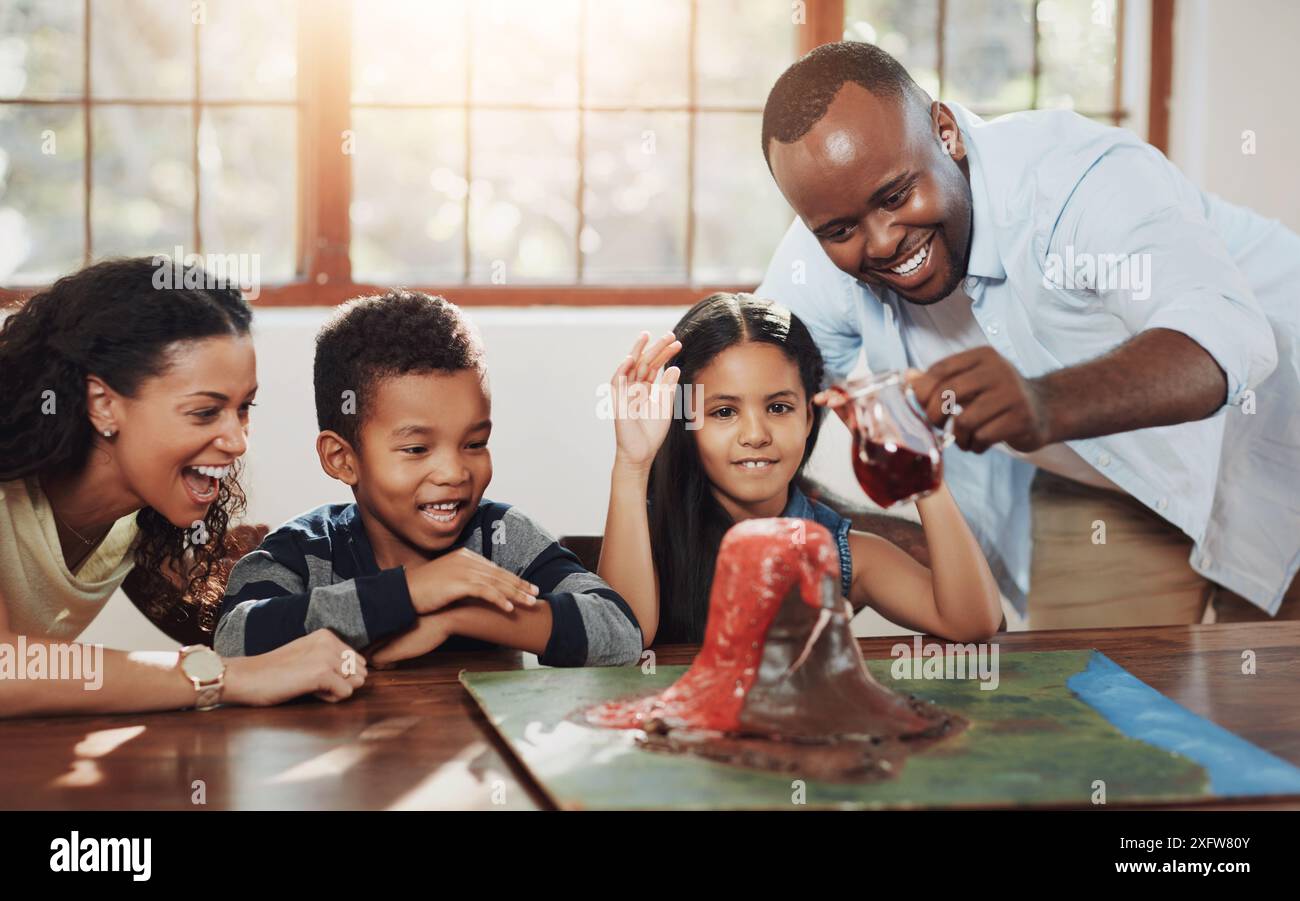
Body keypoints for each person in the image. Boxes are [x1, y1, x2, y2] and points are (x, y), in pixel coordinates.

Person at [756, 41, 1299, 627]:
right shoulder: (825, 247)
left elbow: (1225, 332)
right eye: (840, 229)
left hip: (1275, 441)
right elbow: (742, 391)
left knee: (1269, 700)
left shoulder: (1073, 180)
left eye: (896, 197)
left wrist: (1044, 402)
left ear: (946, 132)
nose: (882, 241)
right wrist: (859, 538)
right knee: (1092, 703)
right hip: (1103, 479)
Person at [0, 258, 367, 718]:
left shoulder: (141, 516)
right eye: (204, 413)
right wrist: (226, 678)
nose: (237, 442)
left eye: (243, 408)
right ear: (103, 405)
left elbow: (246, 633)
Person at [215, 289, 643, 667]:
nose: (455, 472)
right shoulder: (304, 552)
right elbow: (233, 640)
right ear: (342, 458)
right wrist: (410, 592)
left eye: (474, 443)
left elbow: (621, 631)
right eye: (417, 449)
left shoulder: (501, 538)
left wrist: (457, 612)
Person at [596, 292, 1001, 646]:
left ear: (809, 418)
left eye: (778, 407)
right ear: (684, 422)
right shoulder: (645, 540)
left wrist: (920, 461)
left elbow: (973, 622)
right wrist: (632, 466)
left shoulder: (843, 554)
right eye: (723, 411)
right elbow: (618, 638)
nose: (756, 434)